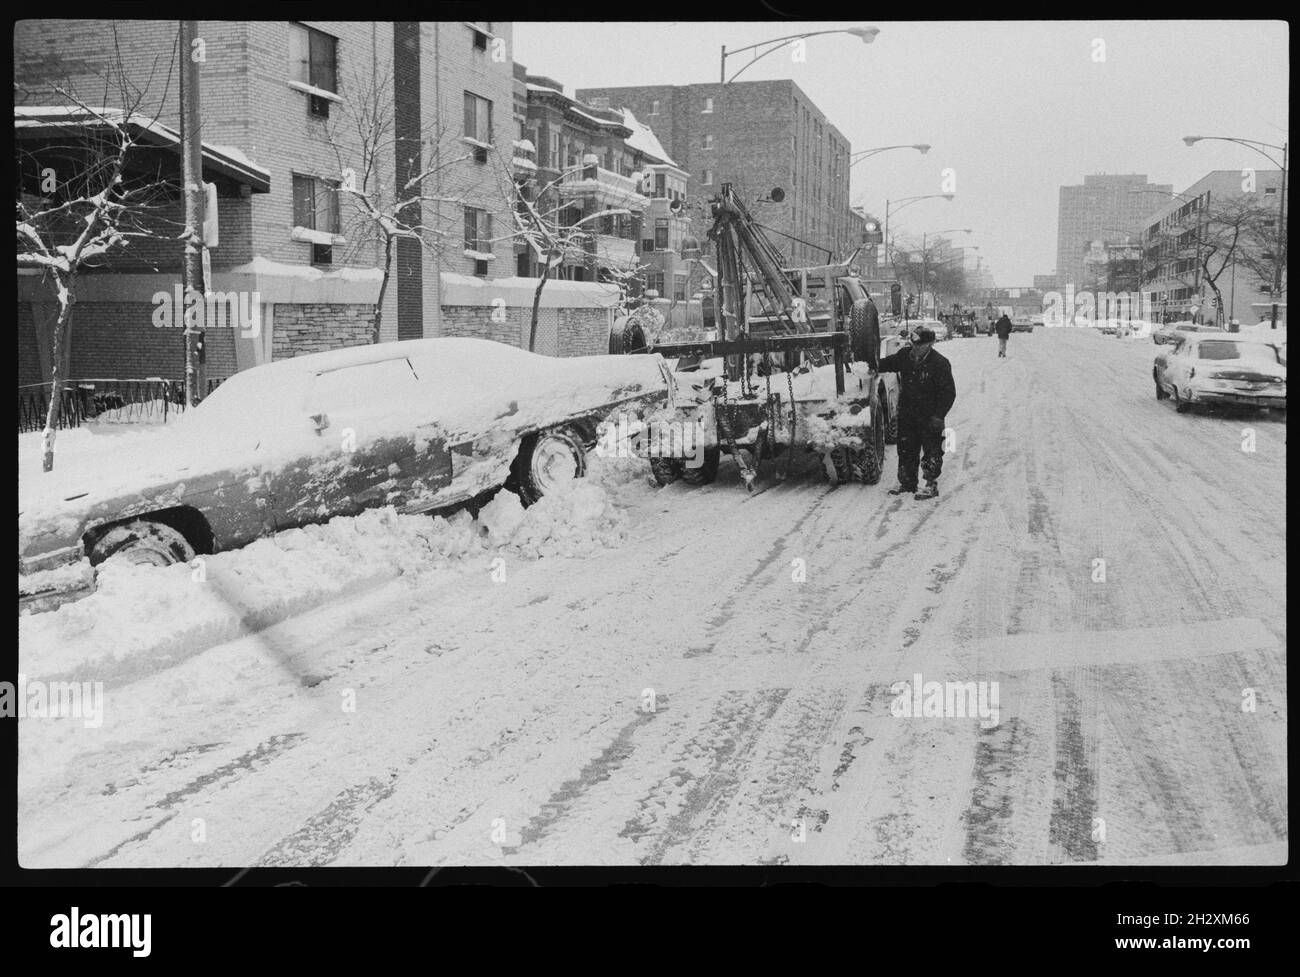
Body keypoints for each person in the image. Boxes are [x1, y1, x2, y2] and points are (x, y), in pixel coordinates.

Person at [876, 326, 956, 500]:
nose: (916, 348)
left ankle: (930, 483)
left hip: (930, 415)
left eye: (921, 345)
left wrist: (939, 415)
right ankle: (907, 482)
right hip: (908, 413)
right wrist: (871, 364)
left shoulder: (940, 363)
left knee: (932, 450)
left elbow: (948, 392)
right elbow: (888, 364)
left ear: (930, 344)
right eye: (914, 344)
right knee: (906, 449)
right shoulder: (905, 356)